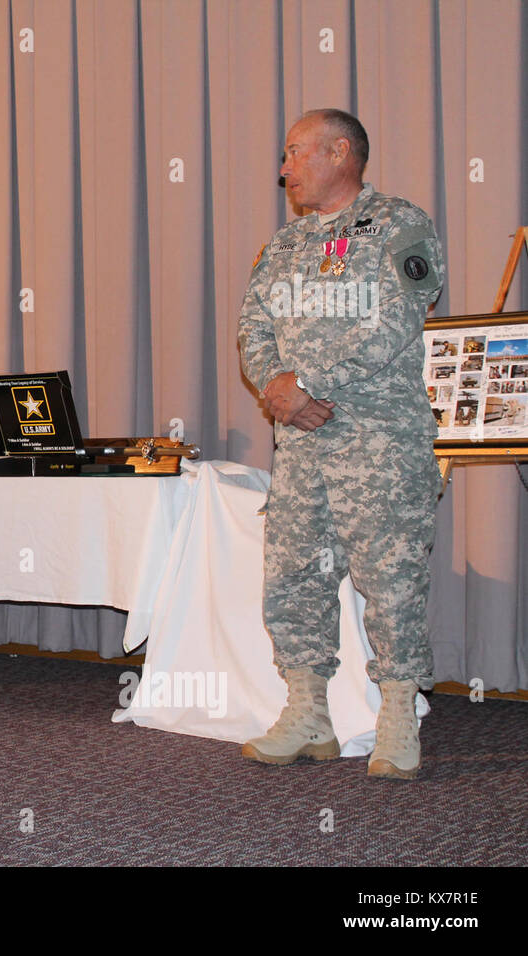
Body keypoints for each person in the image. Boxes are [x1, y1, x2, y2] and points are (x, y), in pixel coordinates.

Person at [237, 109, 445, 780]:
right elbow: (253, 325)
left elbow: (397, 321)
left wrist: (308, 383)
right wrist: (274, 383)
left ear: (341, 152)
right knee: (293, 579)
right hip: (302, 449)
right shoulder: (286, 244)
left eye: (295, 152)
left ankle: (396, 719)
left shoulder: (399, 226)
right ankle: (307, 713)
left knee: (391, 583)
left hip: (378, 443)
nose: (284, 168)